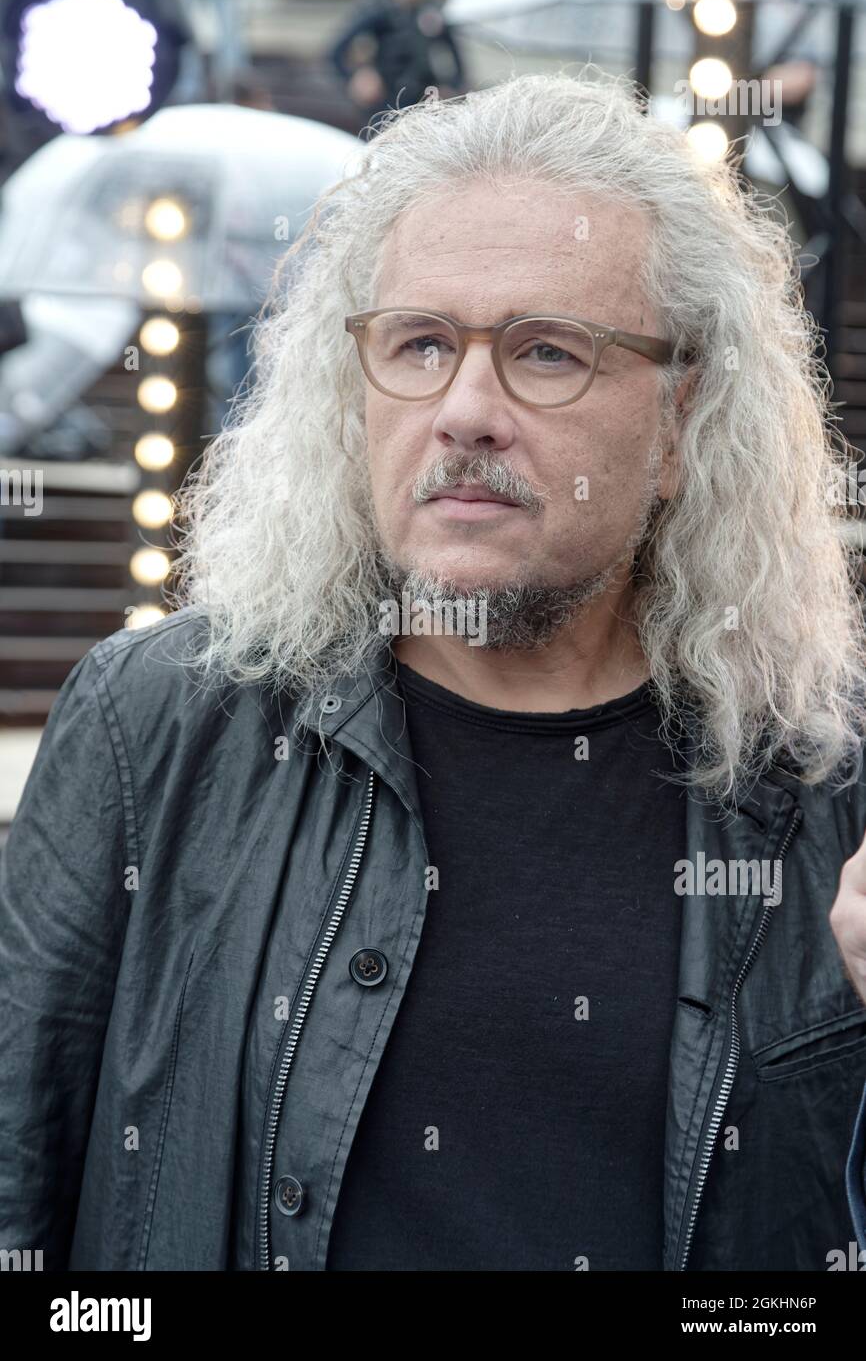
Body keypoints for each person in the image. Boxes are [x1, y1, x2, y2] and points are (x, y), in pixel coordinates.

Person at [2, 67, 866, 1273]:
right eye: (417, 342)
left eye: (546, 352)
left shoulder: (822, 781)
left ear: (680, 422)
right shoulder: (152, 723)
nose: (464, 410)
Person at [329, 0, 465, 127]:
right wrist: (354, 77)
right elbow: (337, 51)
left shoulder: (432, 13)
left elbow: (457, 58)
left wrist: (451, 86)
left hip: (423, 102)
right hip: (385, 101)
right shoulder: (379, 11)